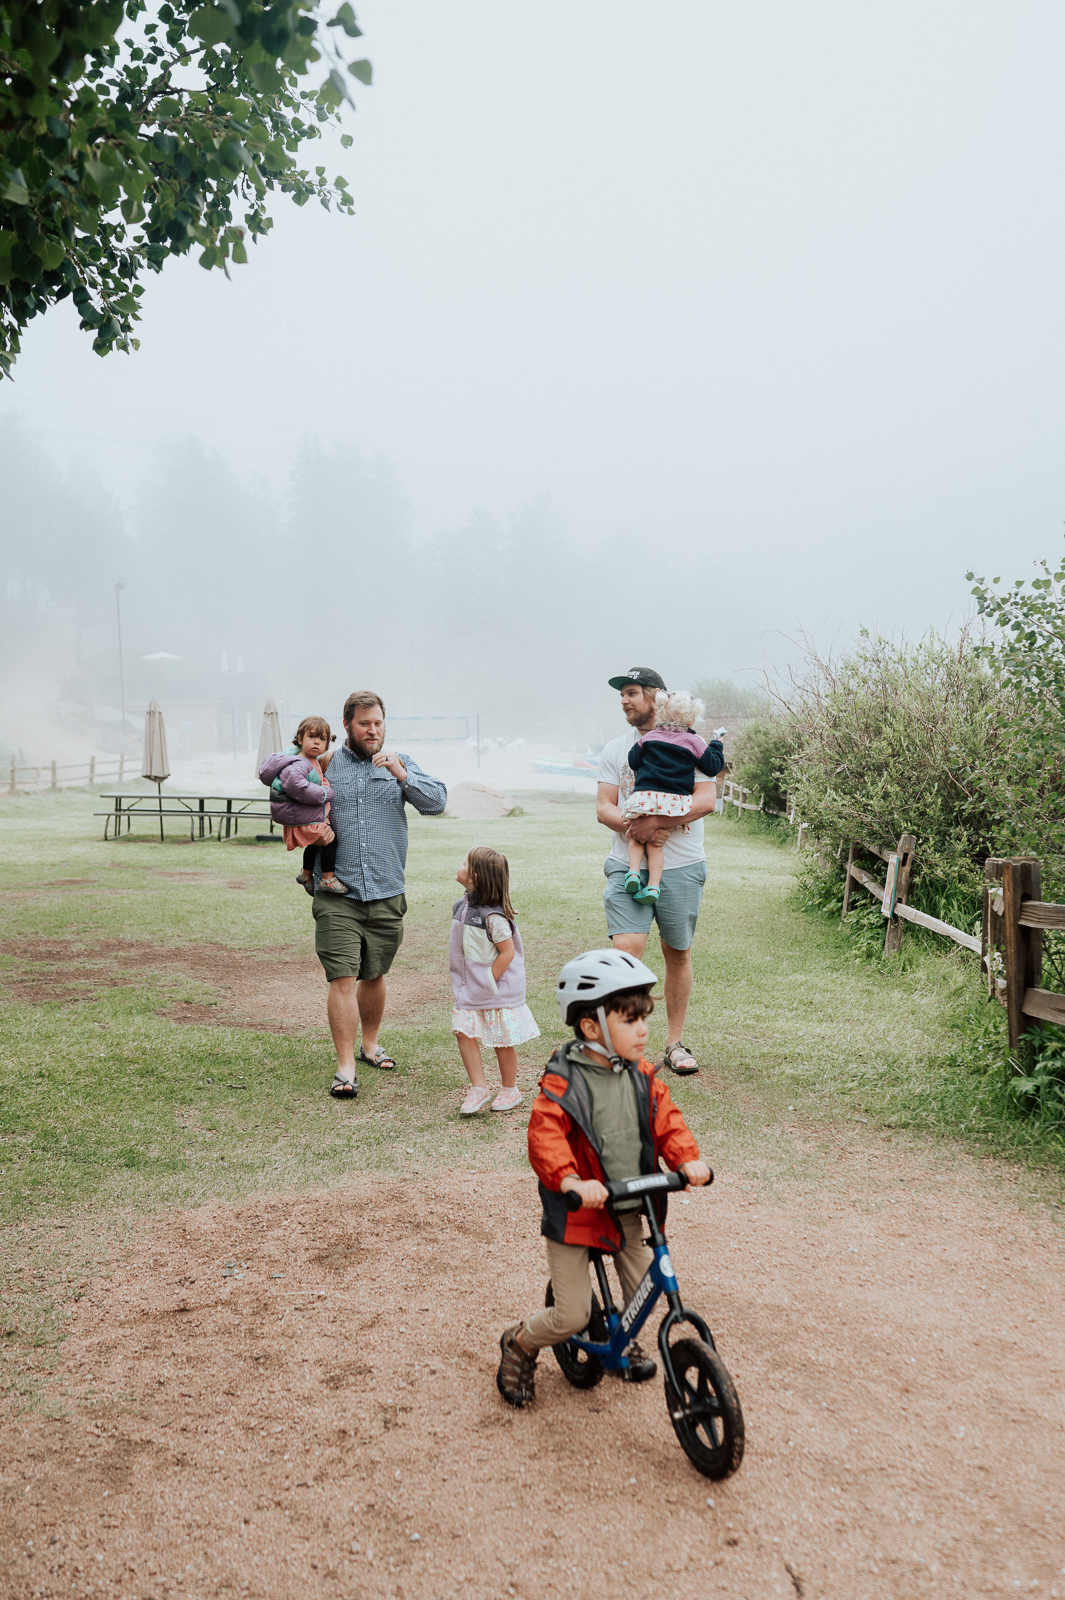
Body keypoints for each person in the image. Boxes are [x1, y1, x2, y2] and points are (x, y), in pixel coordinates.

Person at [495, 948, 712, 1408]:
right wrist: (570, 1181)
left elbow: (666, 1120)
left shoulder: (643, 1076)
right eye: (629, 1020)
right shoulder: (564, 1081)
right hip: (578, 1210)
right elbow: (546, 1136)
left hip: (632, 1204)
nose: (643, 1030)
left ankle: (620, 1340)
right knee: (571, 1315)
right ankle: (520, 1343)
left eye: (644, 1019)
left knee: (644, 1292)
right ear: (591, 1027)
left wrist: (688, 1159)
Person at [316, 691, 447, 1099]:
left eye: (377, 723)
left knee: (373, 974)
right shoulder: (323, 765)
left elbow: (438, 803)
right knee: (342, 977)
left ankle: (369, 1044)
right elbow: (286, 800)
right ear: (347, 727)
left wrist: (403, 776)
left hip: (387, 889)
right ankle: (345, 1067)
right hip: (337, 891)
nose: (372, 730)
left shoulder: (399, 763)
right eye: (363, 724)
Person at [596, 668, 717, 1076]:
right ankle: (623, 1045)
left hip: (681, 864)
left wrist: (659, 825)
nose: (625, 701)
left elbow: (706, 799)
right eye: (622, 696)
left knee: (677, 952)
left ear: (656, 697)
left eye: (631, 693)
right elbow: (604, 807)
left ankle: (674, 1043)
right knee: (626, 949)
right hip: (626, 862)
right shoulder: (616, 749)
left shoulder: (689, 740)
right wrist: (636, 827)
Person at [450, 846, 541, 1116]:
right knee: (463, 1032)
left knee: (502, 1039)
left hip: (494, 990)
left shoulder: (493, 917)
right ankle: (479, 1088)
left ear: (474, 877)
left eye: (463, 863)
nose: (459, 864)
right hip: (470, 990)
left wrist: (490, 980)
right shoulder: (461, 905)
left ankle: (509, 1088)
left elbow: (508, 952)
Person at [624, 690, 724, 905]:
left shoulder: (650, 737)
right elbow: (713, 766)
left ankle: (632, 873)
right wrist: (716, 745)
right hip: (674, 801)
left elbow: (633, 761)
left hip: (646, 796)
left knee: (637, 835)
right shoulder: (694, 741)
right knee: (655, 844)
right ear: (692, 718)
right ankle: (653, 886)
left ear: (661, 713)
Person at [258, 716, 348, 896]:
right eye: (312, 736)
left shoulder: (310, 760)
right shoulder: (298, 762)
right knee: (330, 841)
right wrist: (326, 792)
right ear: (300, 739)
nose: (317, 742)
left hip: (306, 815)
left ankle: (306, 874)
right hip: (303, 817)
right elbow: (297, 788)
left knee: (315, 845)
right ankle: (327, 878)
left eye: (322, 739)